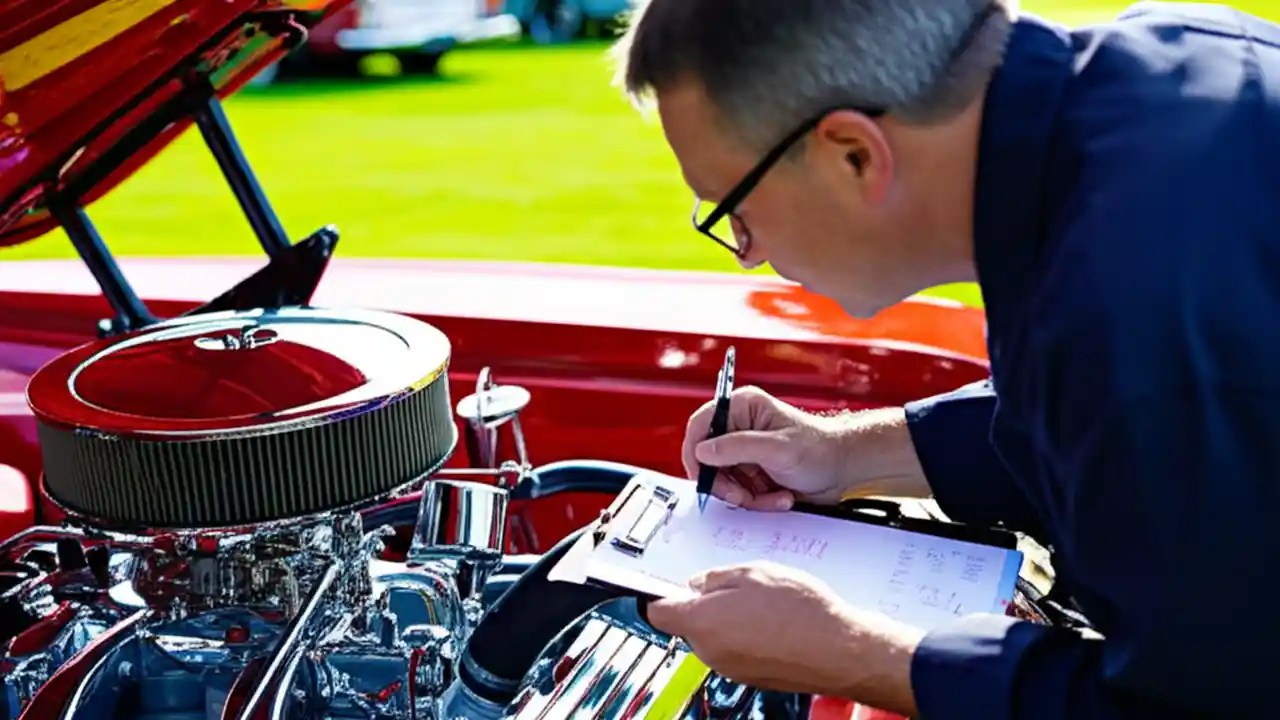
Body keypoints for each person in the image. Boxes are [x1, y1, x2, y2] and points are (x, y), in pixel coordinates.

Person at [608, 0, 1280, 718]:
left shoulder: (1126, 300)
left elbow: (1204, 704)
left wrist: (859, 654)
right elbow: (1116, 425)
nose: (750, 256)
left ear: (853, 156)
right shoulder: (1171, 64)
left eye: (732, 210)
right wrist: (842, 451)